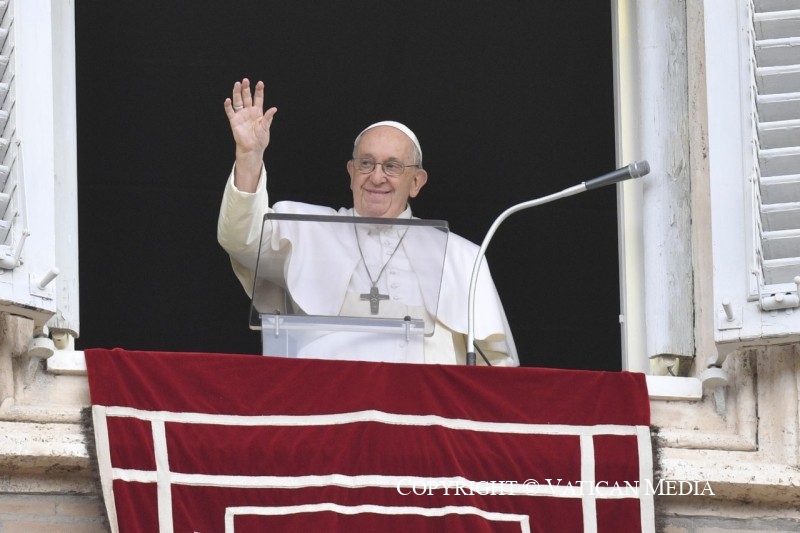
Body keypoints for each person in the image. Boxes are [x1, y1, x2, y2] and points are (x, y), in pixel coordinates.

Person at [217, 78, 518, 366]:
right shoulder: (305, 229)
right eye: (366, 163)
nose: (376, 177)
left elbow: (496, 363)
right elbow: (240, 238)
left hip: (424, 409)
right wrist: (249, 157)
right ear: (351, 172)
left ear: (416, 182)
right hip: (328, 403)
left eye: (392, 166)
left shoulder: (461, 256)